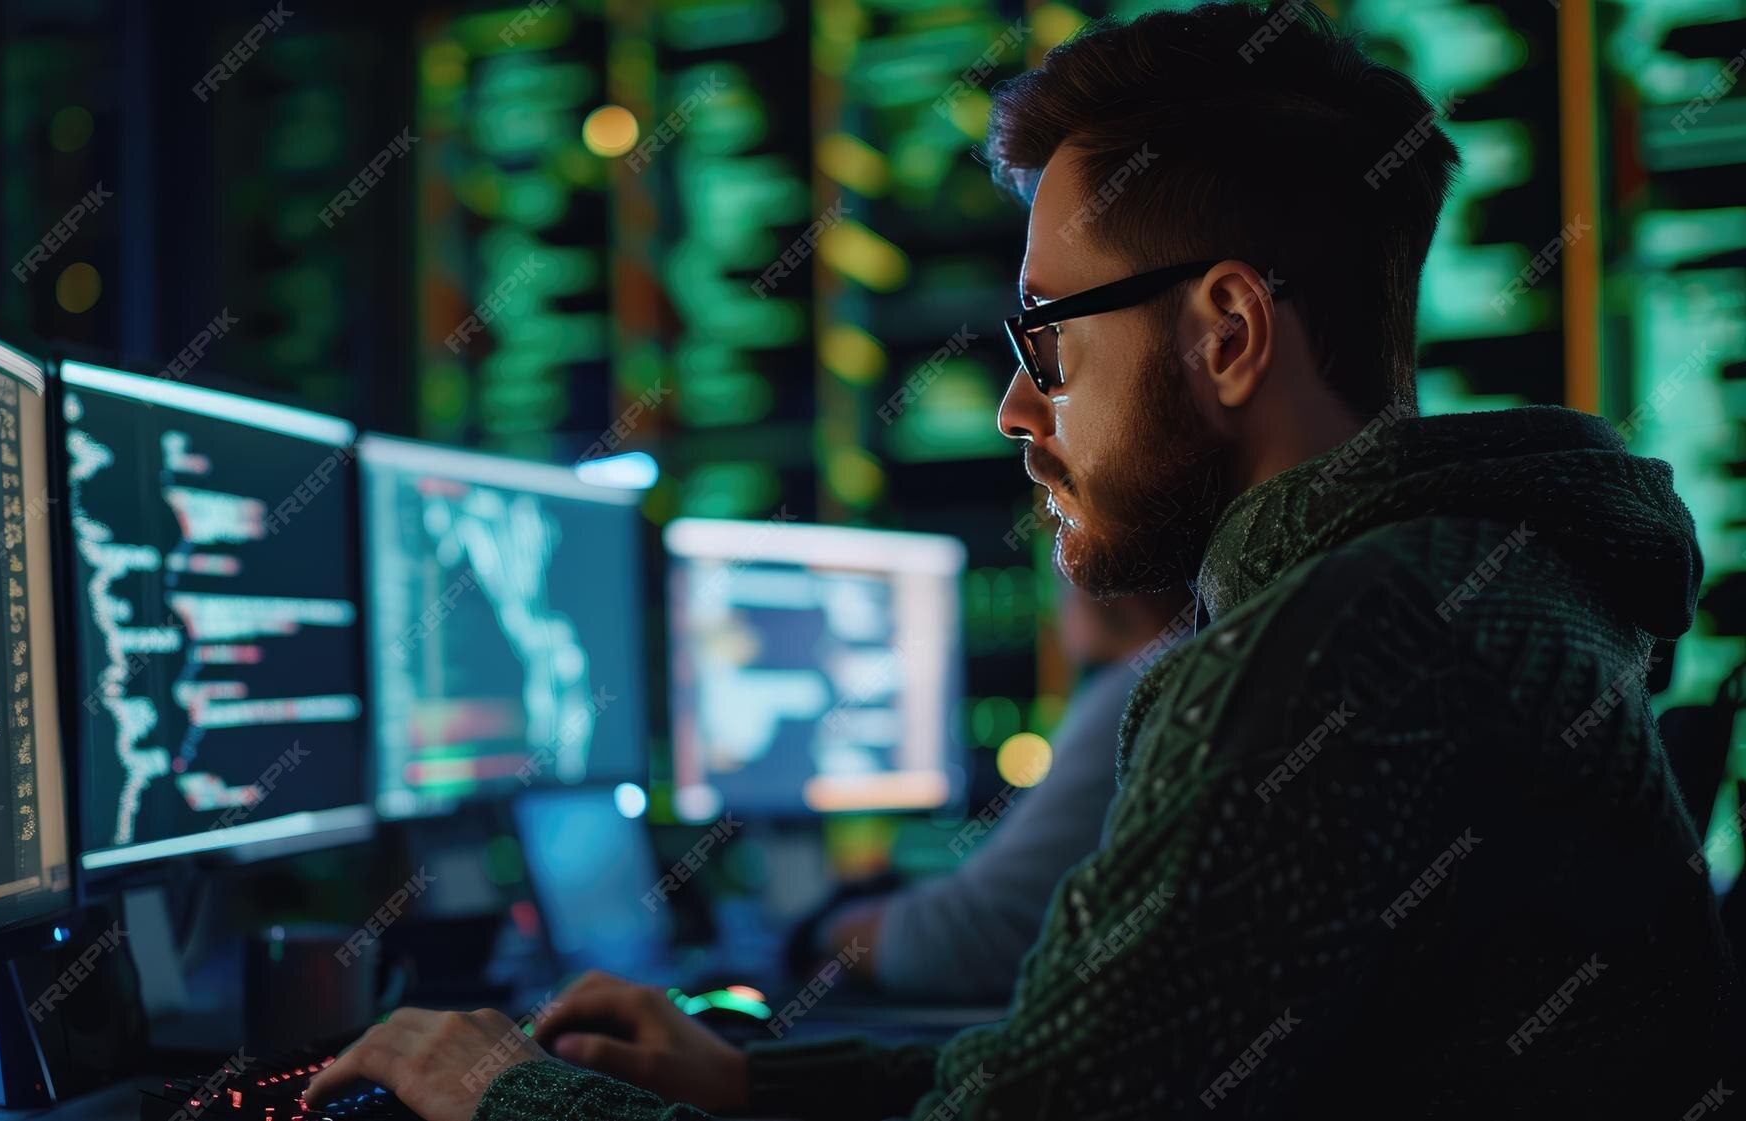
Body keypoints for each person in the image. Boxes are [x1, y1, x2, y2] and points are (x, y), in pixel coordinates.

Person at [307, 4, 1742, 1117]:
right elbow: (1083, 1079)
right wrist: (755, 1080)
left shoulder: (1335, 651)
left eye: (1048, 343)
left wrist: (512, 1094)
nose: (1012, 408)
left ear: (1228, 331)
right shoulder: (1477, 579)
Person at [812, 586, 1193, 1003]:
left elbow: (968, 937)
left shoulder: (1146, 687)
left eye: (1070, 527)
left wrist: (831, 928)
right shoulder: (1186, 670)